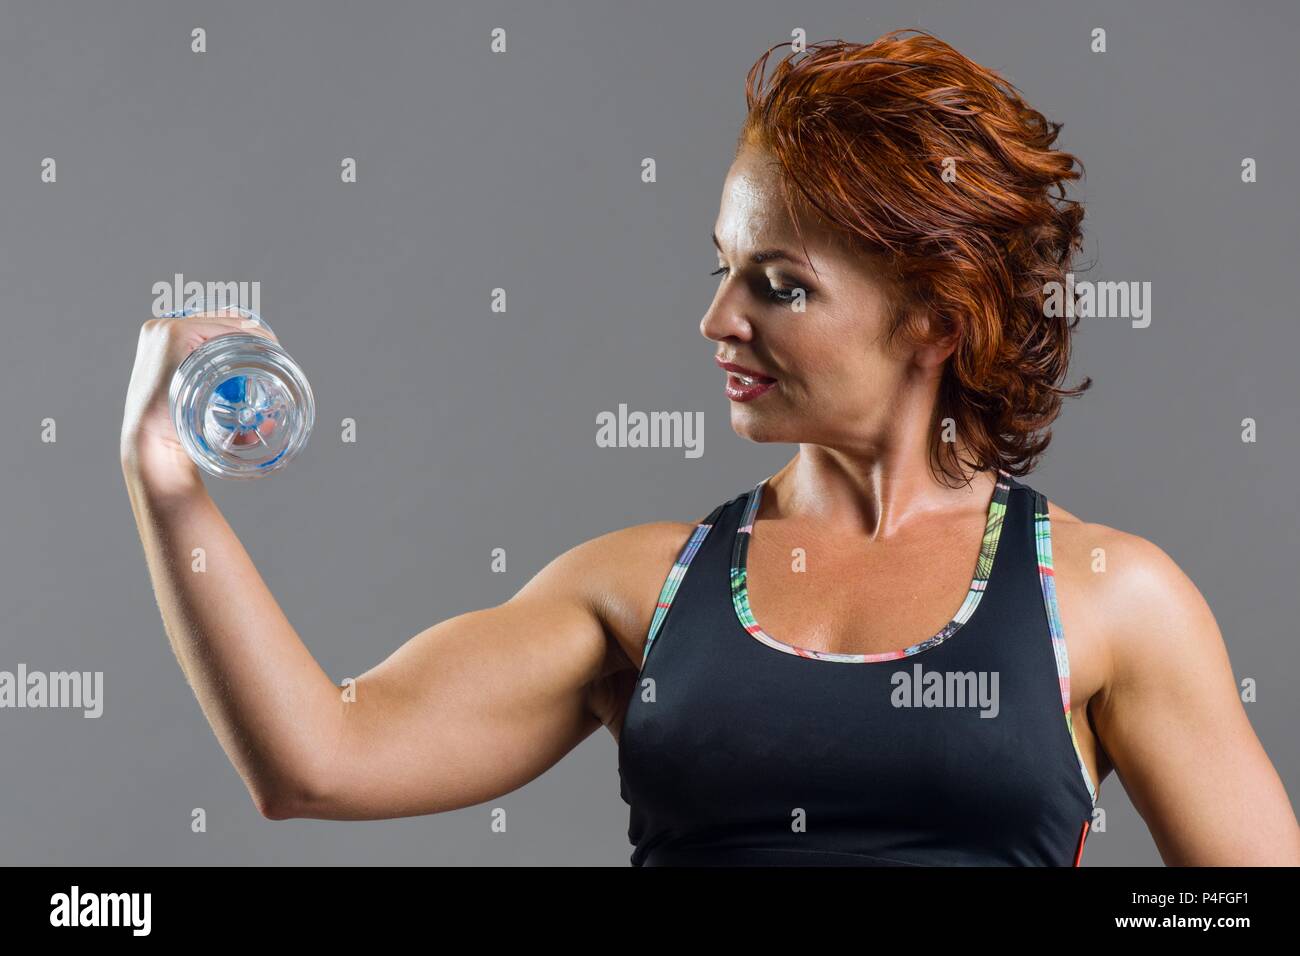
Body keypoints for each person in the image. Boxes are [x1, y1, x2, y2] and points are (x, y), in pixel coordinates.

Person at [120, 29, 1299, 865]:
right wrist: (164, 481)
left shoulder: (1105, 597)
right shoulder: (641, 588)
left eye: (777, 283)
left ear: (934, 320)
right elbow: (318, 758)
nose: (717, 319)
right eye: (722, 266)